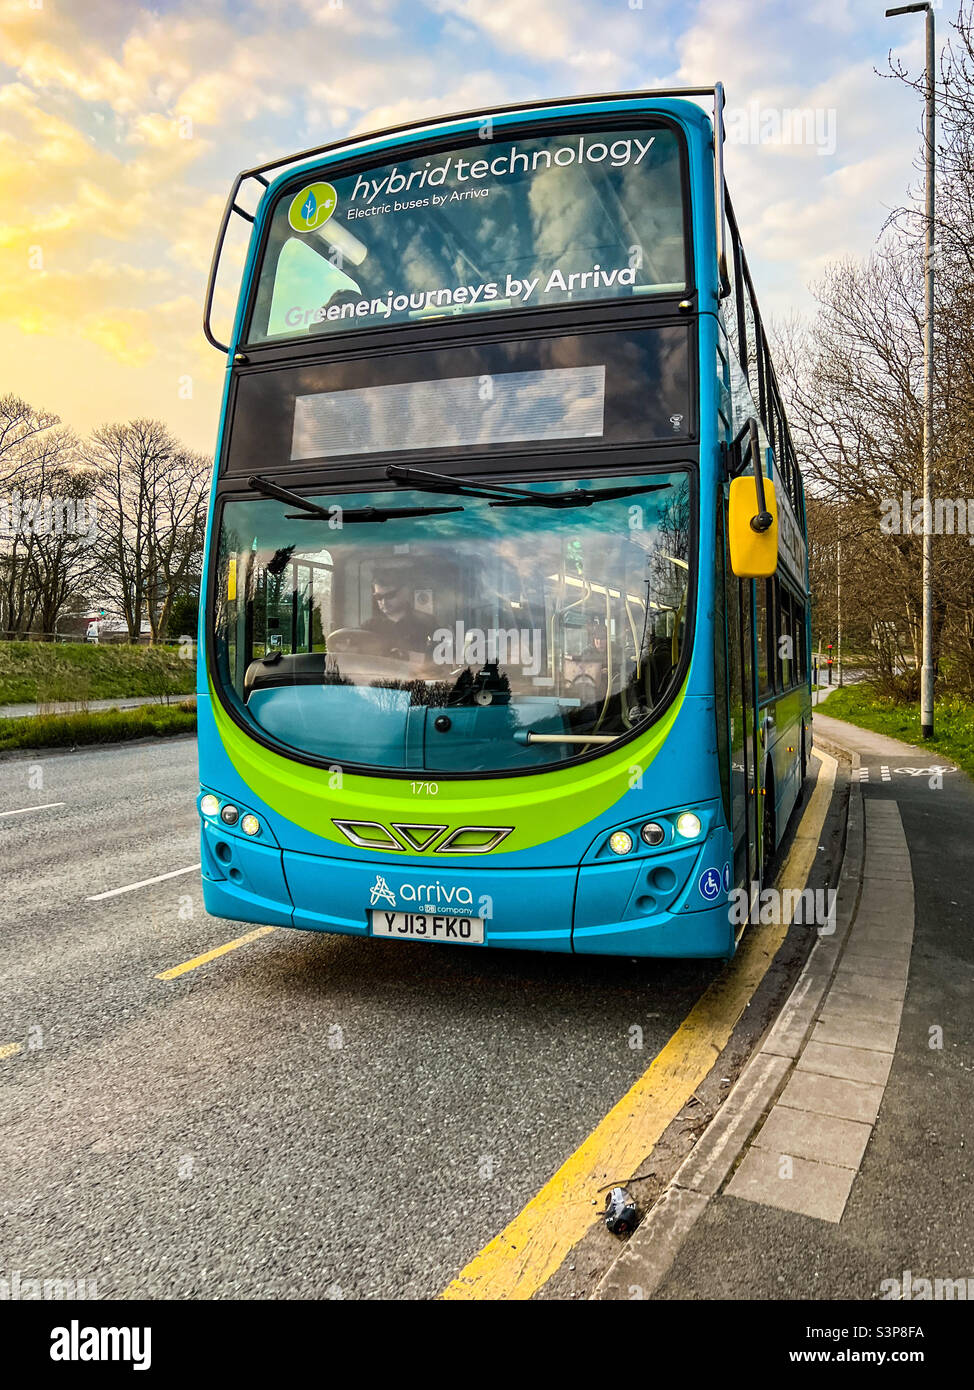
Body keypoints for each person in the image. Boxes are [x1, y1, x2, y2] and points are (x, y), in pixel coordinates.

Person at [362, 569, 436, 659]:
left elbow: (434, 662)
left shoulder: (427, 624)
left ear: (405, 592)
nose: (384, 602)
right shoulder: (369, 627)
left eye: (390, 595)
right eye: (379, 597)